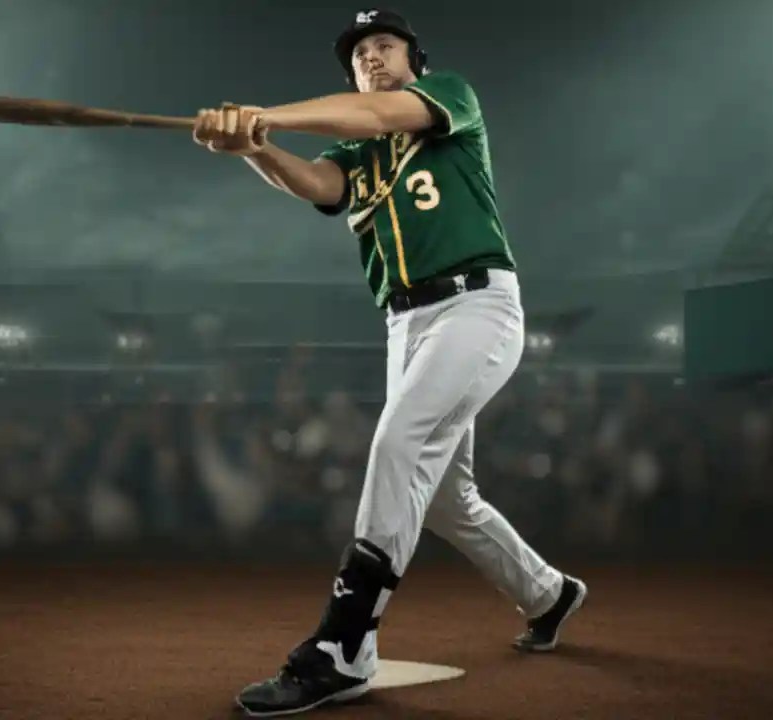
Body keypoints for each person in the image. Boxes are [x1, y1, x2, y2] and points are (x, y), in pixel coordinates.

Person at [190, 9, 587, 717]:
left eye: (384, 44)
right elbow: (320, 185)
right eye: (359, 53)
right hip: (405, 323)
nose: (371, 56)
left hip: (476, 306)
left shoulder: (450, 96)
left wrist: (264, 114)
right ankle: (548, 593)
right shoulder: (356, 152)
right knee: (445, 499)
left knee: (398, 443)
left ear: (414, 59)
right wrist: (256, 145)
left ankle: (344, 646)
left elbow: (373, 114)